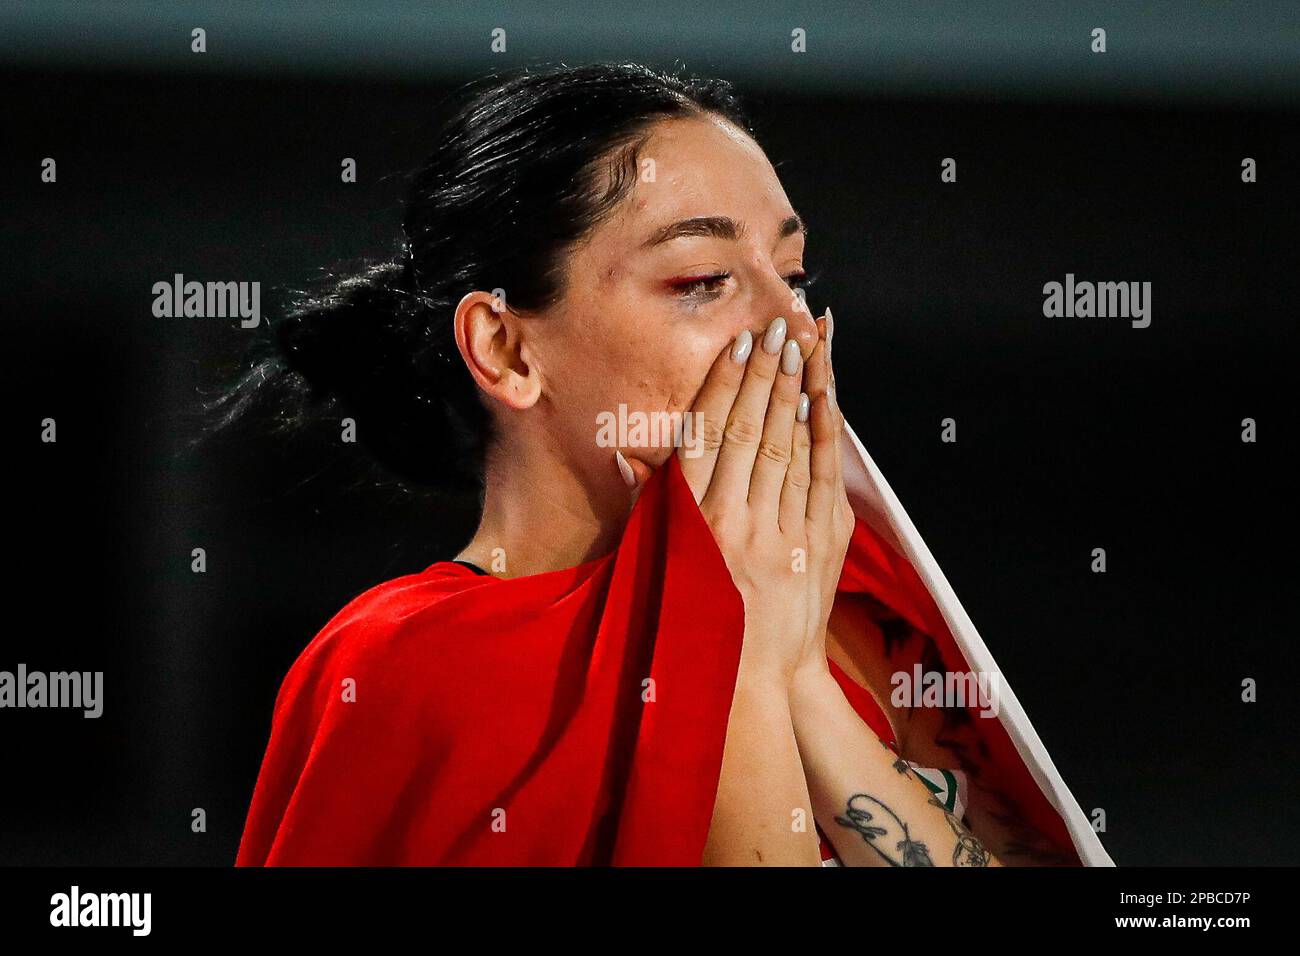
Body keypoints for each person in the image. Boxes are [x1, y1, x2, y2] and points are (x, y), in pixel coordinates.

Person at [224, 62, 1112, 867]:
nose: (793, 331)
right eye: (700, 280)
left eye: (792, 277)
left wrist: (791, 669)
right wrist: (742, 663)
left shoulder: (849, 609)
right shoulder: (408, 667)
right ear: (506, 349)